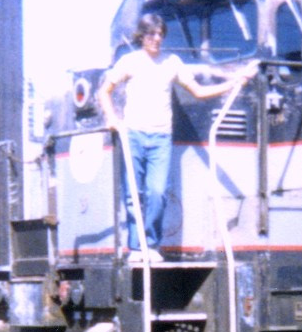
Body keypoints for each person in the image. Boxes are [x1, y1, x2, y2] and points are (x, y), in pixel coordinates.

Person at [96, 14, 257, 263]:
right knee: (133, 194)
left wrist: (235, 82)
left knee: (157, 192)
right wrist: (112, 118)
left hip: (161, 137)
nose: (157, 39)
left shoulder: (172, 63)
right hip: (133, 135)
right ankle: (136, 248)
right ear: (142, 36)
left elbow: (199, 91)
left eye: (160, 34)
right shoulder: (129, 62)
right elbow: (105, 91)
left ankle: (151, 244)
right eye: (151, 34)